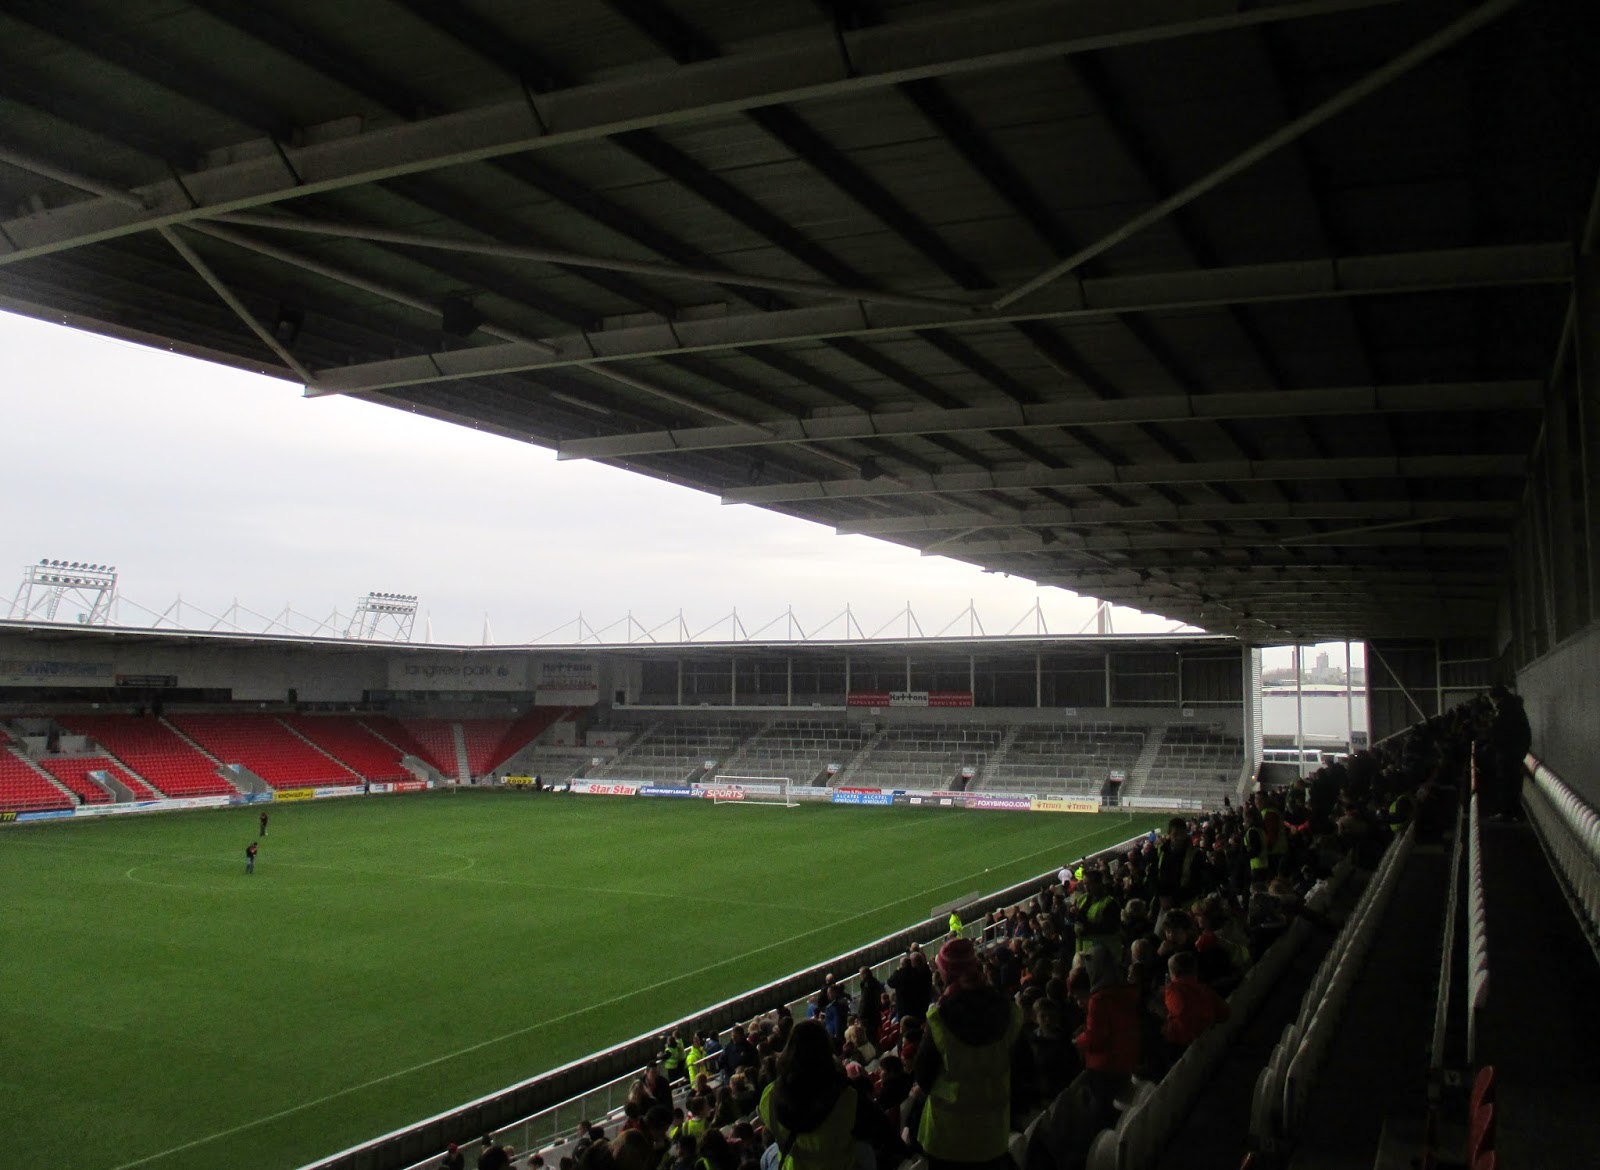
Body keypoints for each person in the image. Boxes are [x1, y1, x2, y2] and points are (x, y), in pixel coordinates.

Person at [907, 937, 1033, 1170]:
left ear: (946, 974)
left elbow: (923, 1076)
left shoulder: (939, 1018)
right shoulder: (1009, 1012)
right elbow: (1024, 1069)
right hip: (992, 1134)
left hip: (946, 1138)